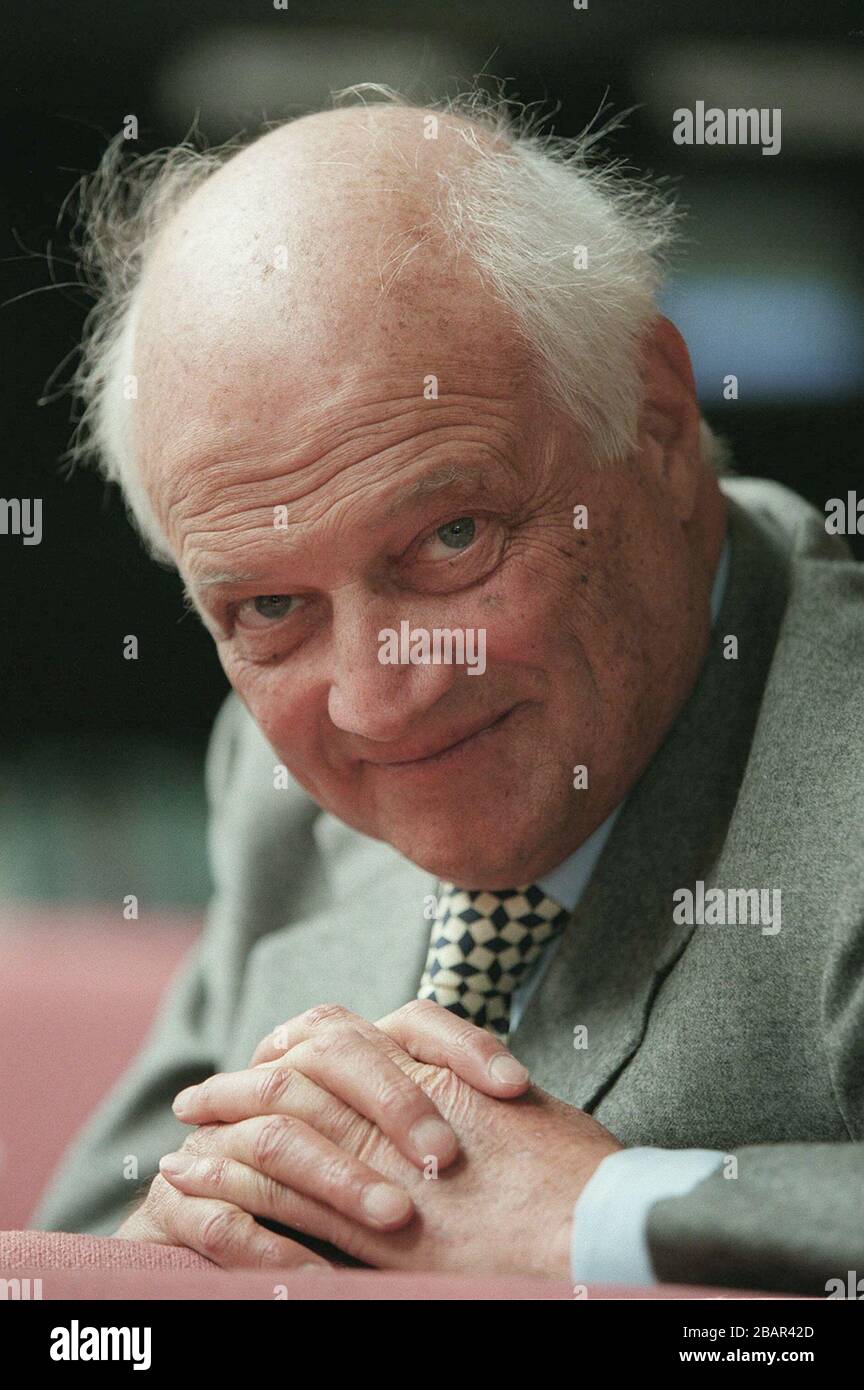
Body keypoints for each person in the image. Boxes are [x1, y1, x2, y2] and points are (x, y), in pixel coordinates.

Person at [34, 91, 864, 1294]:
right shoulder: (275, 780)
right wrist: (174, 1265)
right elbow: (59, 1278)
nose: (376, 702)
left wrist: (604, 1216)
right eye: (270, 608)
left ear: (661, 422)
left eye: (451, 537)